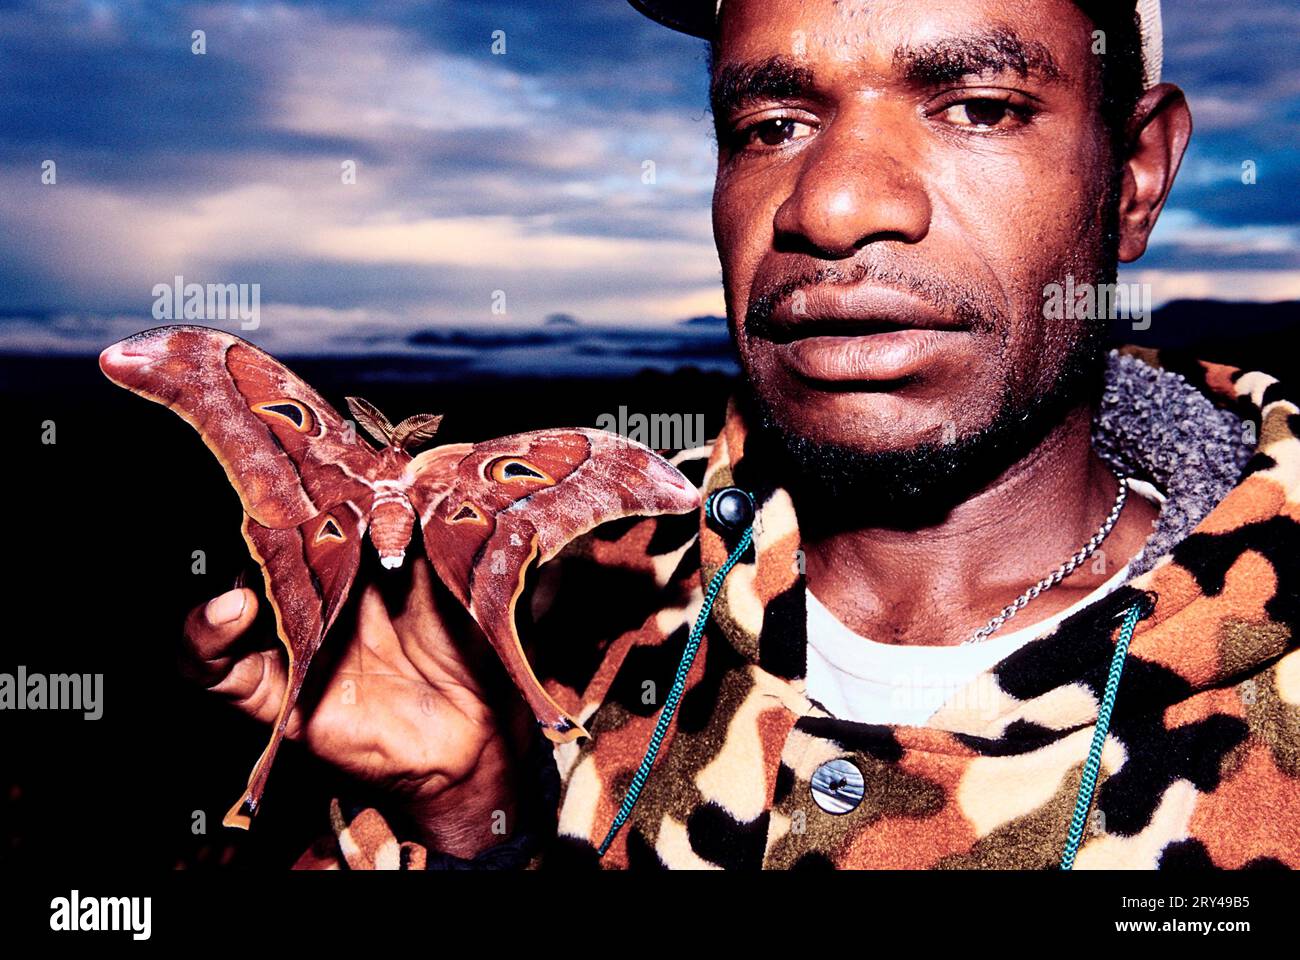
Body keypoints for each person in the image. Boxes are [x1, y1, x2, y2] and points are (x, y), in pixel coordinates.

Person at [182, 0, 1299, 869]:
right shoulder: (569, 602)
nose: (834, 202)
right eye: (773, 123)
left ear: (1136, 177)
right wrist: (475, 814)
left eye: (976, 106)